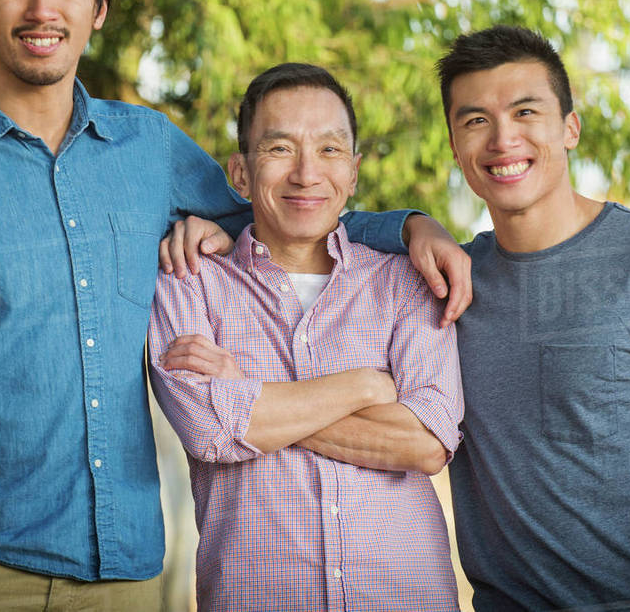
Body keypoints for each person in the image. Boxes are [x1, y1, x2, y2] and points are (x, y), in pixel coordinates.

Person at [0, 0, 470, 612]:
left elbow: (294, 206)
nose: (43, 8)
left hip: (124, 569)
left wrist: (410, 227)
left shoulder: (149, 147)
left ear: (99, 7)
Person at [438, 25, 630, 611]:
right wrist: (409, 222)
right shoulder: (451, 281)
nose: (503, 139)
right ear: (455, 146)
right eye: (475, 120)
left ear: (570, 128)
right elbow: (318, 222)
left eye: (526, 111)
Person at [148, 63, 464, 611]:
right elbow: (212, 431)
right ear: (241, 174)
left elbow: (426, 444)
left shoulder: (405, 281)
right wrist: (367, 386)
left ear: (355, 171)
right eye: (279, 149)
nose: (306, 174)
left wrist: (248, 392)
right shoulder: (187, 279)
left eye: (329, 150)